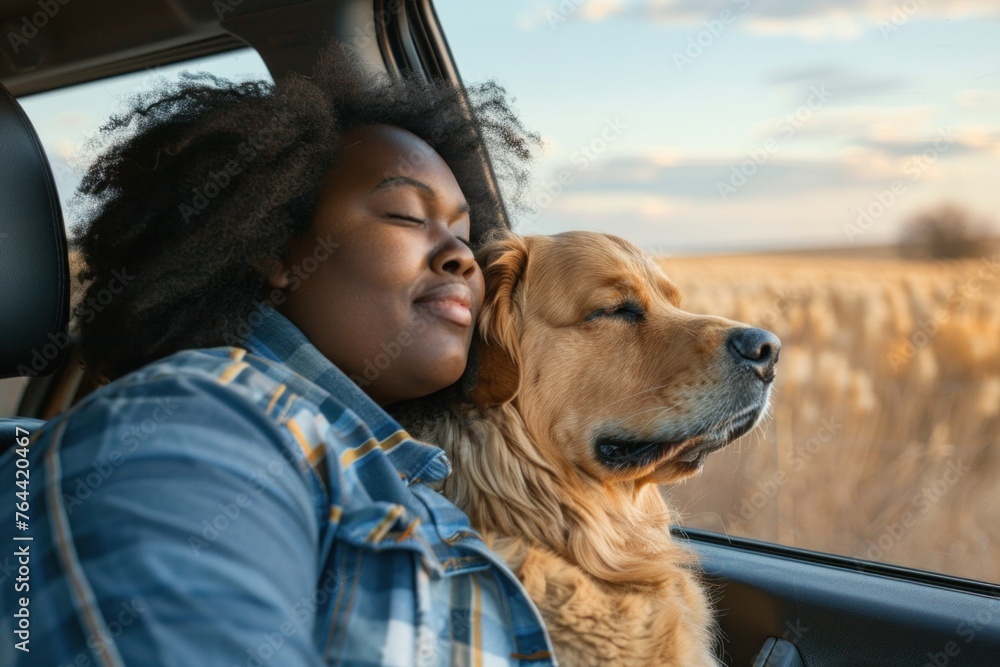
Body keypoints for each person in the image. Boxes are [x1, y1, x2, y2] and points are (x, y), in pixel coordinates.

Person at [0, 44, 554, 666]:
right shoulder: (203, 425)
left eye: (464, 233)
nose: (462, 258)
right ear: (273, 250)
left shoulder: (379, 471)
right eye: (405, 214)